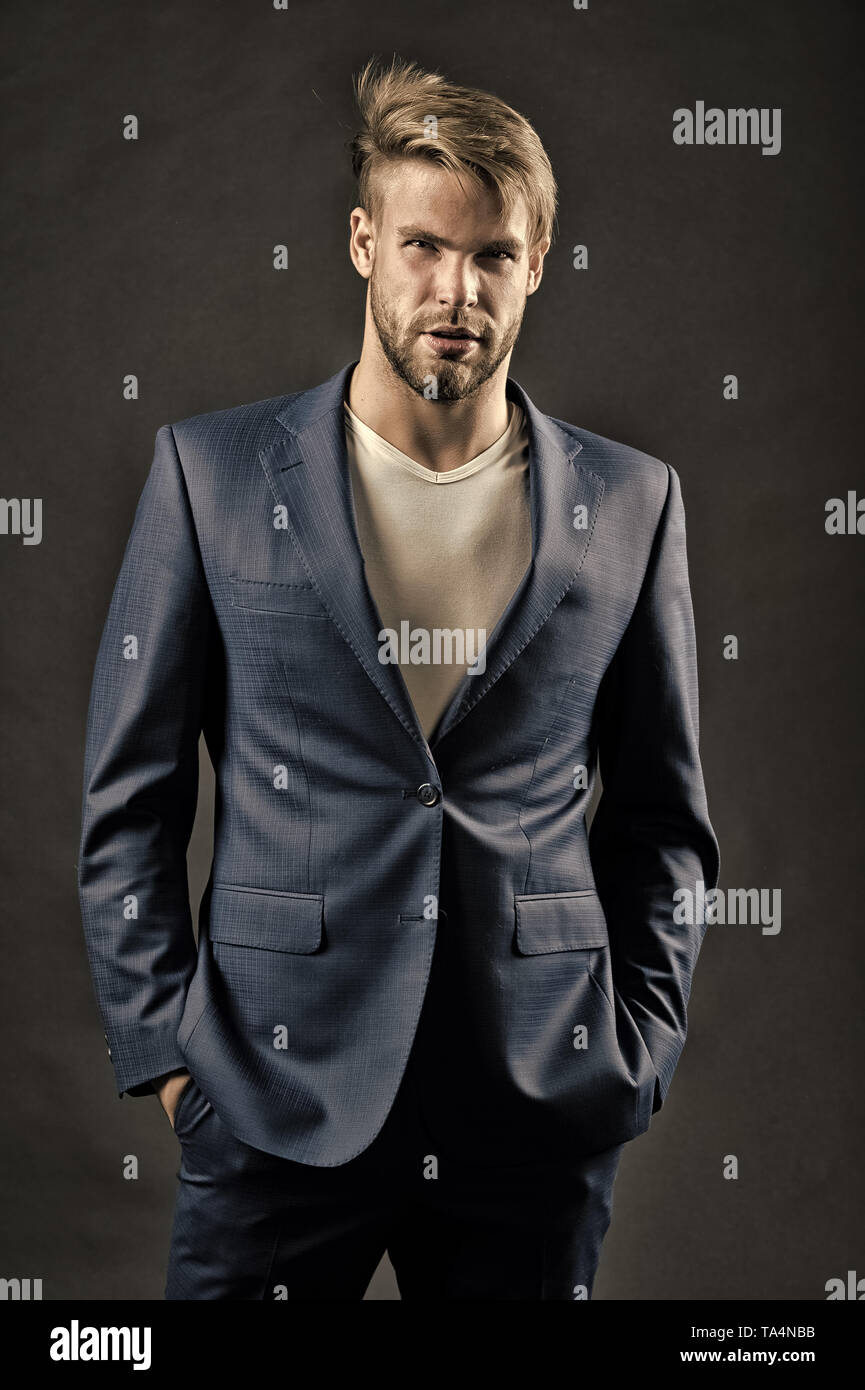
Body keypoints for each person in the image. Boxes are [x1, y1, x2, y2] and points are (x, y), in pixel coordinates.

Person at [78, 55, 720, 1300]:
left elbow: (664, 817)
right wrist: (170, 1058)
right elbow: (128, 802)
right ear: (365, 242)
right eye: (425, 246)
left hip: (535, 1103)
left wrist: (634, 1050)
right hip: (272, 1095)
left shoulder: (632, 502)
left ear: (536, 264)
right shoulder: (209, 476)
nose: (455, 290)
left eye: (491, 257)